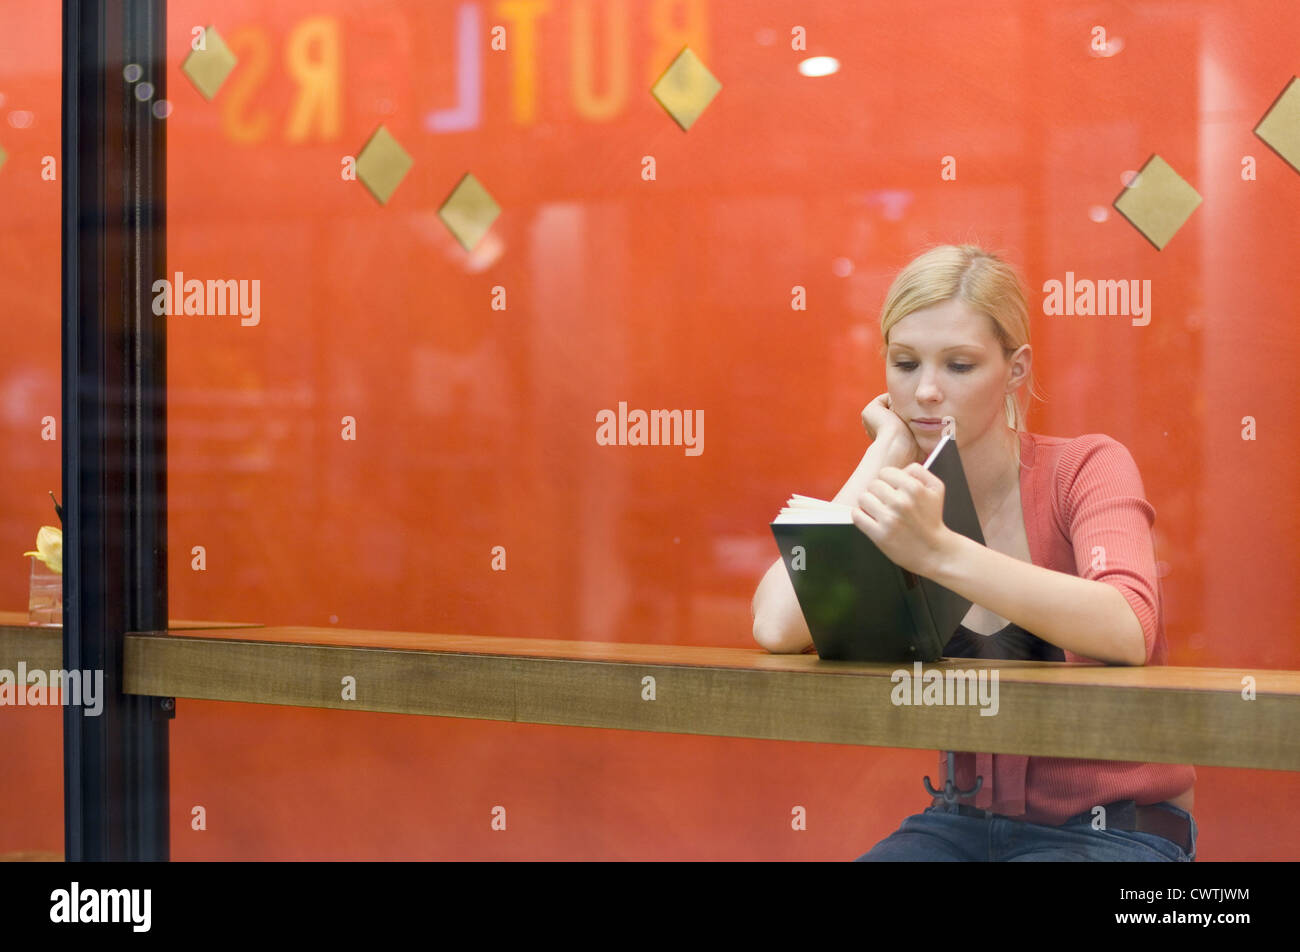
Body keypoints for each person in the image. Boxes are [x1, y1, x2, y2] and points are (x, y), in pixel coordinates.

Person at [750, 244, 1197, 861]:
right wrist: (882, 453)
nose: (927, 391)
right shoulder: (903, 491)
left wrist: (936, 551)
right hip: (958, 823)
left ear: (1016, 369)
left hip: (1113, 829)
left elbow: (1126, 627)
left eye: (959, 365)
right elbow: (776, 624)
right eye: (905, 364)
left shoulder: (1087, 467)